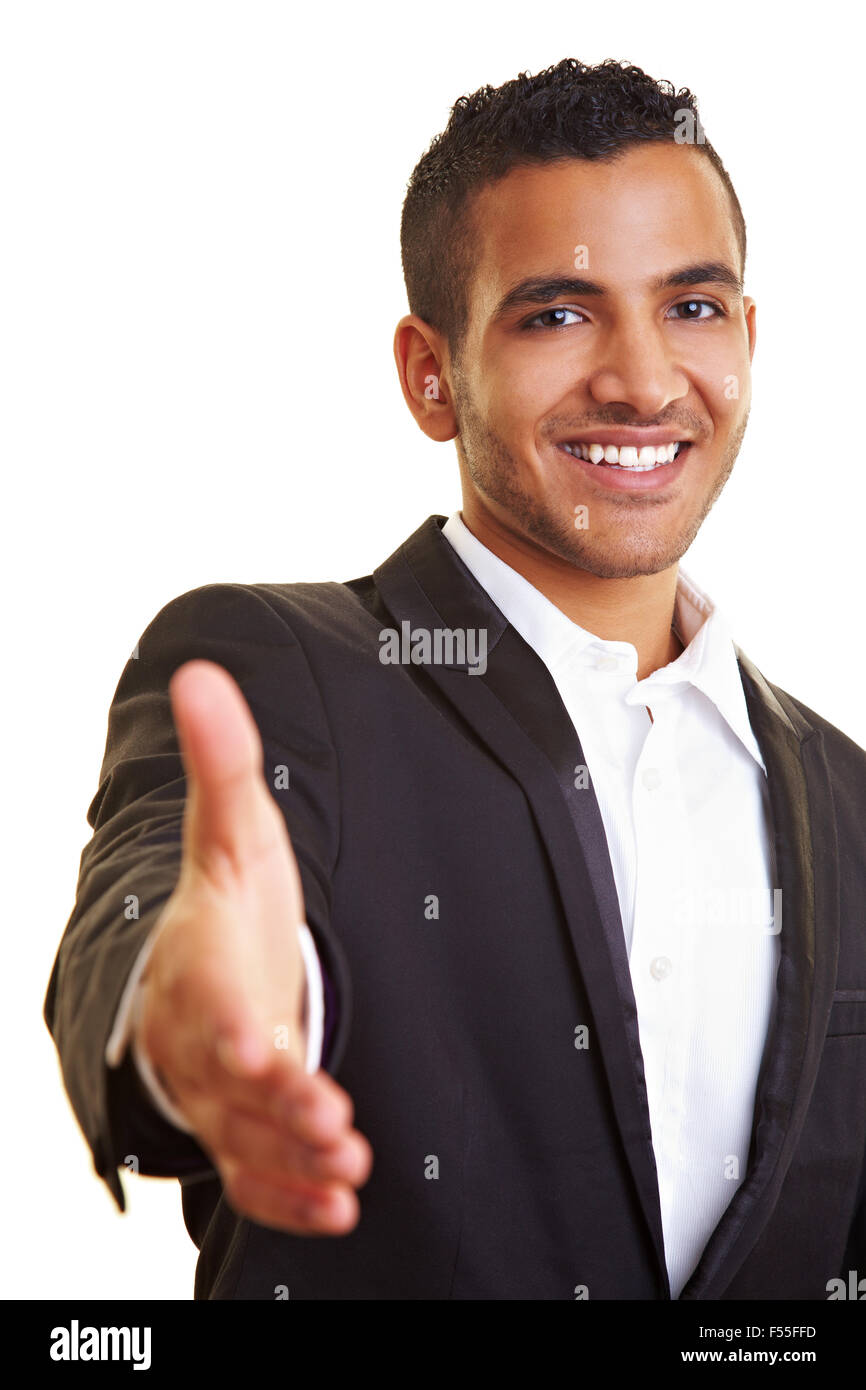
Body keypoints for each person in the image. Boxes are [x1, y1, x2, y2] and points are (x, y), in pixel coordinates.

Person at [45, 57, 866, 1301]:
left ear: (747, 335)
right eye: (556, 314)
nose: (644, 380)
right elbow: (161, 896)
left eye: (690, 307)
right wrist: (189, 1019)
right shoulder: (277, 671)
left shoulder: (843, 795)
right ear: (431, 375)